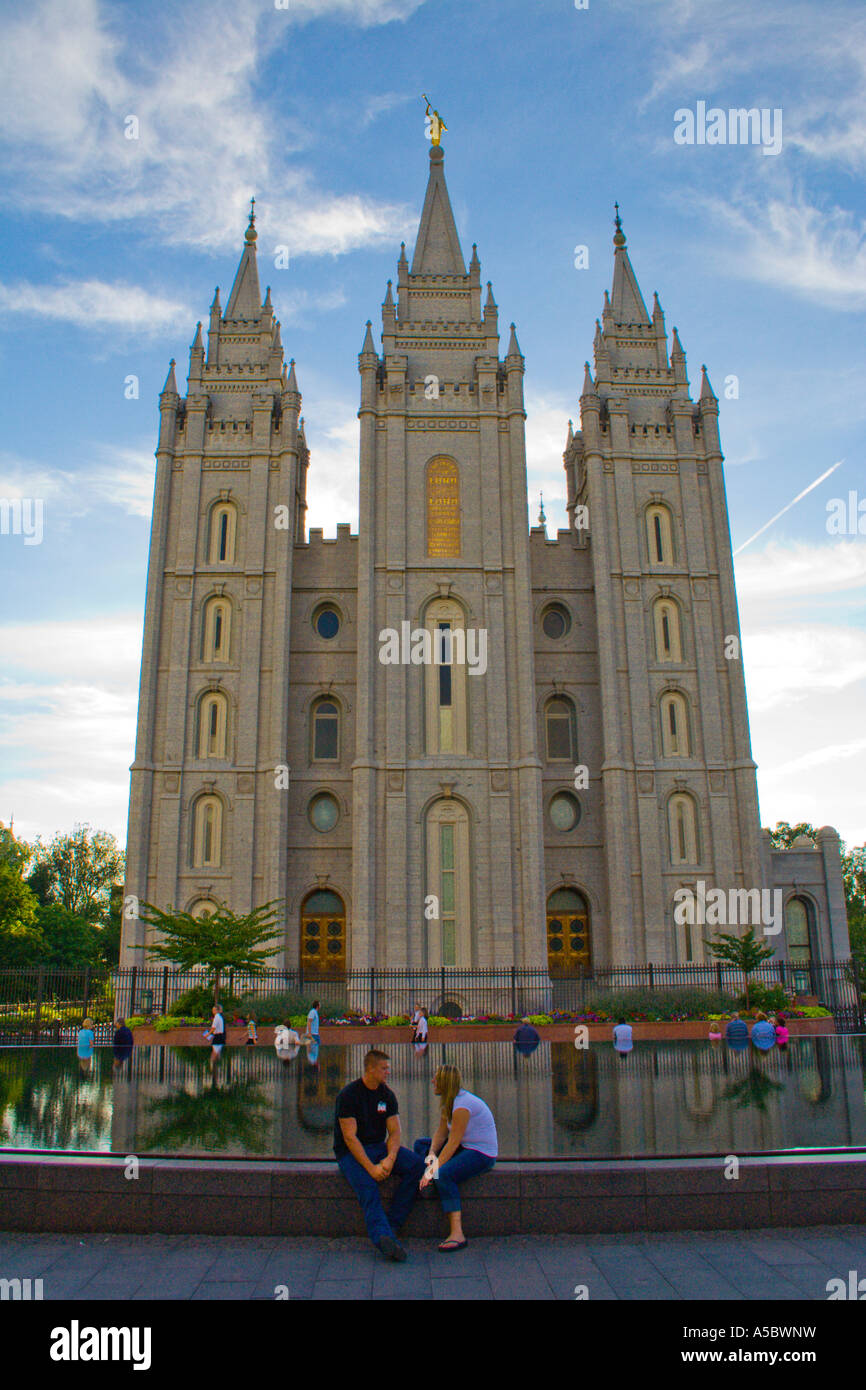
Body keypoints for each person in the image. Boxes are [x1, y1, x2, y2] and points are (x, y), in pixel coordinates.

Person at [333, 1048, 425, 1262]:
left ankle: (392, 1224)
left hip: (378, 1147)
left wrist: (390, 1158)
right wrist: (371, 1168)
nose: (387, 1072)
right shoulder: (348, 1096)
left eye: (388, 1068)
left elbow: (394, 1132)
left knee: (417, 1167)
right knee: (367, 1186)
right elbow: (349, 1138)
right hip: (351, 1153)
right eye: (384, 1069)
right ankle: (382, 1237)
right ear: (371, 1069)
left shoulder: (387, 1095)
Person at [415, 1063, 497, 1253]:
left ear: (444, 1083)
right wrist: (432, 1153)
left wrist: (431, 1171)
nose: (432, 1081)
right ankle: (430, 1181)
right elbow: (441, 1133)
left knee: (444, 1175)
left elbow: (452, 1143)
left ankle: (457, 1233)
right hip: (465, 1146)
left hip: (482, 1153)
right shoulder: (449, 1102)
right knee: (421, 1145)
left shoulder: (462, 1106)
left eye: (436, 1078)